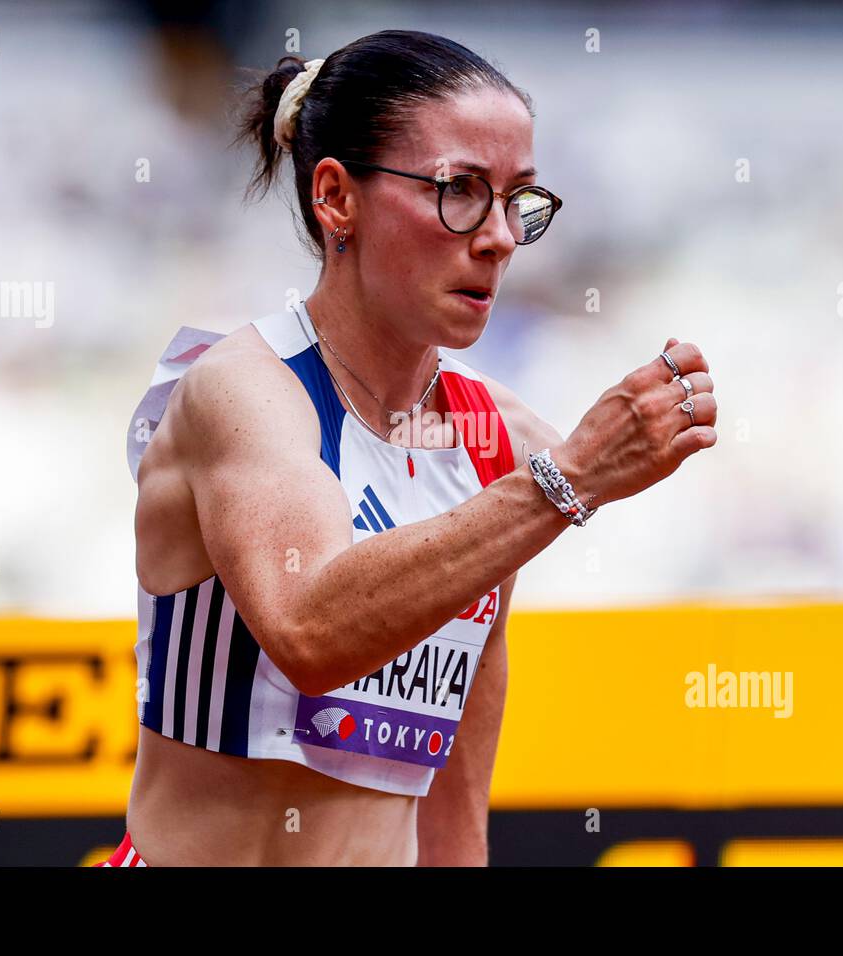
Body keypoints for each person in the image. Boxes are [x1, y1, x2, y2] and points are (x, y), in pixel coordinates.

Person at [95, 28, 716, 868]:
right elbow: (312, 632)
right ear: (336, 198)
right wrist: (563, 482)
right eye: (458, 190)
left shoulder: (498, 439)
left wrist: (551, 482)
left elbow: (457, 766)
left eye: (517, 199)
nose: (497, 236)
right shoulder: (243, 391)